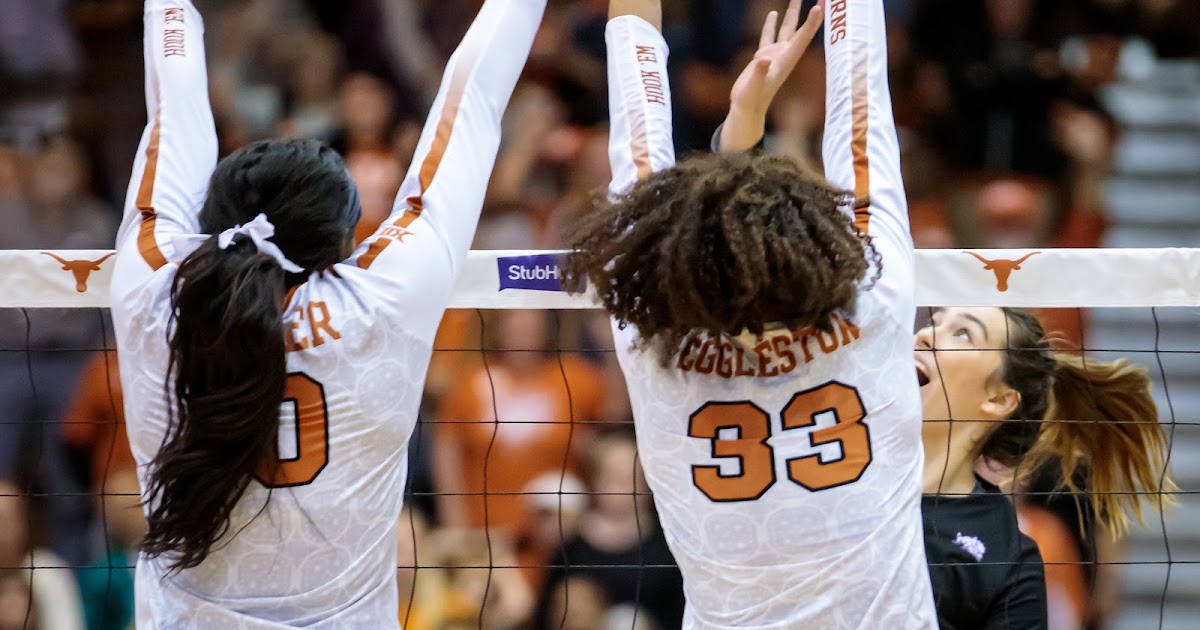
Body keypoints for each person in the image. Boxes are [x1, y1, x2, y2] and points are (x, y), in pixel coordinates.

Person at [108, 0, 545, 626]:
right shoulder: (382, 303)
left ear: (214, 222)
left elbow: (174, 119)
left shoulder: (156, 295)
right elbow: (470, 103)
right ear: (341, 241)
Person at [564, 0, 937, 627]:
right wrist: (746, 126)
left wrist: (740, 128)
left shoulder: (652, 335)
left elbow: (641, 151)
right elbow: (860, 111)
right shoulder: (877, 301)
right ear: (818, 244)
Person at [915, 306, 1175, 630]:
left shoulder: (1008, 556)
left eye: (963, 334)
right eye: (932, 323)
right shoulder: (844, 466)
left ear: (998, 399)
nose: (924, 335)